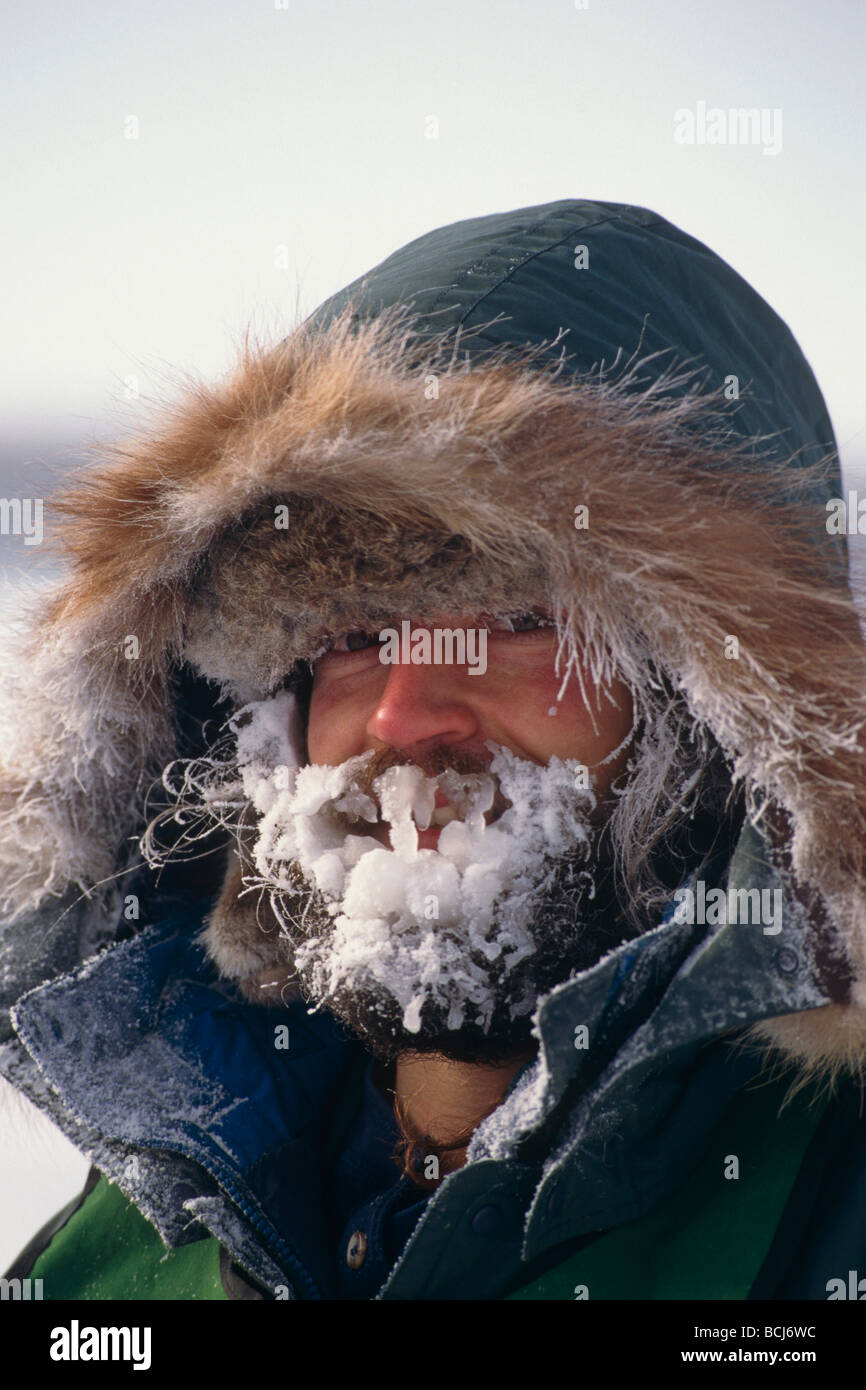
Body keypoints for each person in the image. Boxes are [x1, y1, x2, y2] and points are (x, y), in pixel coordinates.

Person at [2, 198, 865, 1301]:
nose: (406, 717)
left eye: (514, 623)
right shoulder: (132, 1240)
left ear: (711, 710)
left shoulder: (823, 1200)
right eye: (353, 640)